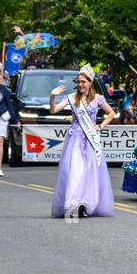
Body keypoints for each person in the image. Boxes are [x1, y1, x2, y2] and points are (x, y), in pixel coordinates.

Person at [48, 65, 117, 218]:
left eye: (83, 82)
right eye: (78, 82)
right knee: (75, 170)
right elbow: (53, 110)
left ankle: (86, 203)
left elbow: (111, 112)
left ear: (90, 82)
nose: (80, 85)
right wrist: (52, 97)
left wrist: (101, 126)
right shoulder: (72, 98)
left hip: (91, 139)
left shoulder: (98, 98)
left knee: (90, 172)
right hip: (75, 139)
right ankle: (74, 203)